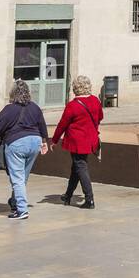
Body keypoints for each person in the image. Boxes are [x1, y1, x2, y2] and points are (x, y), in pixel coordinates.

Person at [0, 80, 49, 220]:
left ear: (12, 93)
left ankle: (22, 210)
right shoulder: (35, 107)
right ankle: (15, 202)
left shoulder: (9, 109)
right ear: (28, 92)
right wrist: (44, 141)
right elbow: (42, 125)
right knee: (22, 176)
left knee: (17, 178)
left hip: (17, 143)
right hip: (35, 142)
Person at [51, 75, 103, 210]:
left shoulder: (73, 105)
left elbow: (62, 124)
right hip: (90, 140)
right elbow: (100, 117)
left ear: (75, 88)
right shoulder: (95, 101)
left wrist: (54, 140)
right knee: (76, 168)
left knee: (80, 166)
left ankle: (89, 199)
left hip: (77, 141)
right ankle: (68, 196)